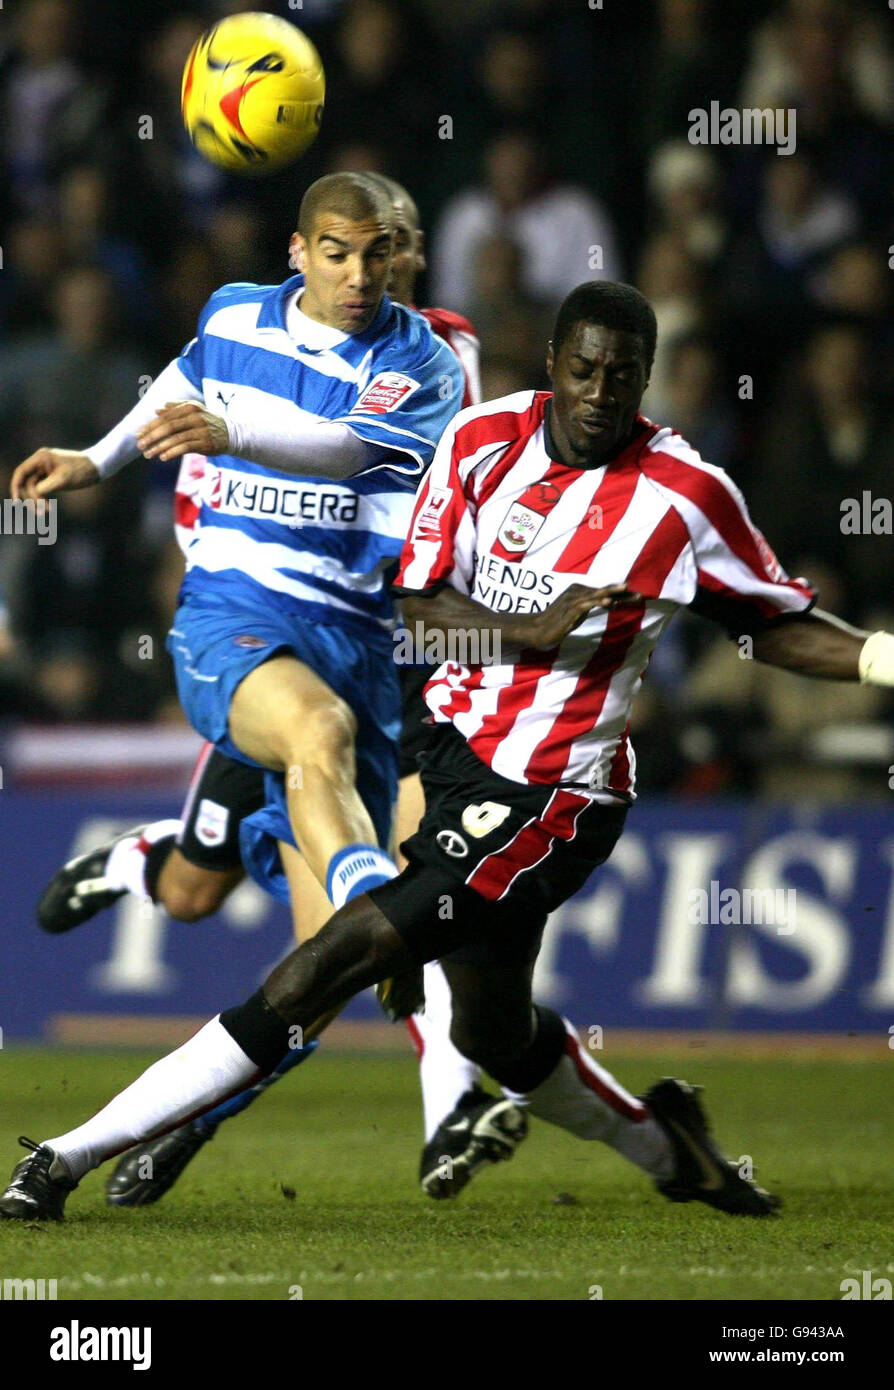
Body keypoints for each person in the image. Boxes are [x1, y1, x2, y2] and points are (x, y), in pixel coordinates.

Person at [10, 279, 894, 1223]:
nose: (601, 391)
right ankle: (672, 1146)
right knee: (493, 1027)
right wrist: (533, 626)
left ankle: (63, 1158)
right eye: (584, 368)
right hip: (449, 754)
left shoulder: (685, 497)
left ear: (649, 380)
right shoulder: (481, 443)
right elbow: (422, 604)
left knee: (334, 959)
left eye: (624, 375)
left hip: (555, 793)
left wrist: (885, 657)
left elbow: (777, 624)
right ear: (554, 363)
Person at [30, 175, 514, 1207]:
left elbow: (345, 449)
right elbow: (179, 383)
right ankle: (184, 867)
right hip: (244, 626)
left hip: (370, 650)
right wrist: (99, 459)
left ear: (406, 257)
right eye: (343, 251)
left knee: (320, 963)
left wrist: (228, 436)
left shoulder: (435, 358)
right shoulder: (234, 316)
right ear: (302, 251)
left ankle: (196, 1122)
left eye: (385, 250)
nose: (368, 270)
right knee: (255, 839)